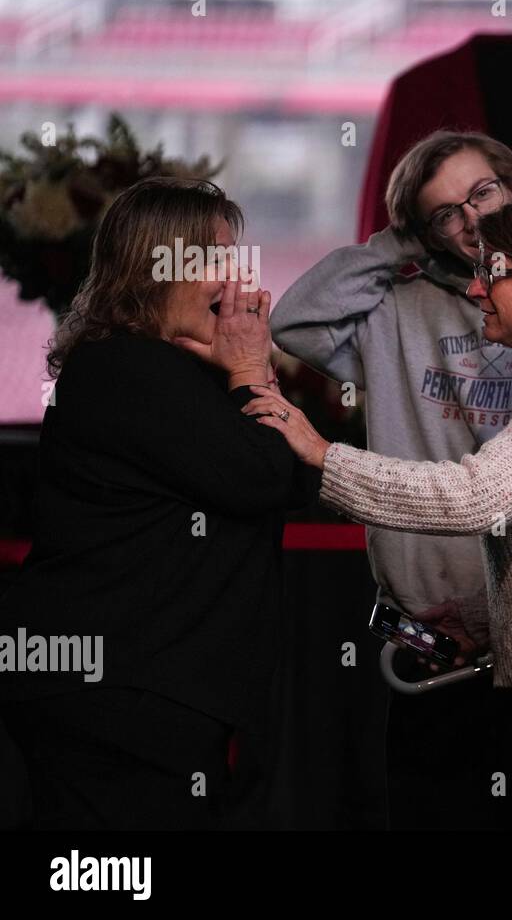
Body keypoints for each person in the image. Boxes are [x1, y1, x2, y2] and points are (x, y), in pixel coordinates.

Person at [270, 130, 512, 826]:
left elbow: (480, 496)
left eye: (499, 266)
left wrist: (322, 456)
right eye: (447, 217)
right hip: (494, 662)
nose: (475, 249)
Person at [0, 177, 318, 829]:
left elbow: (298, 477)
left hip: (139, 695)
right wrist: (252, 373)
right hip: (112, 697)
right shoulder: (125, 369)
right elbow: (263, 475)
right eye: (212, 262)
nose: (235, 285)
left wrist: (244, 374)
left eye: (238, 260)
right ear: (153, 270)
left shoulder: (181, 372)